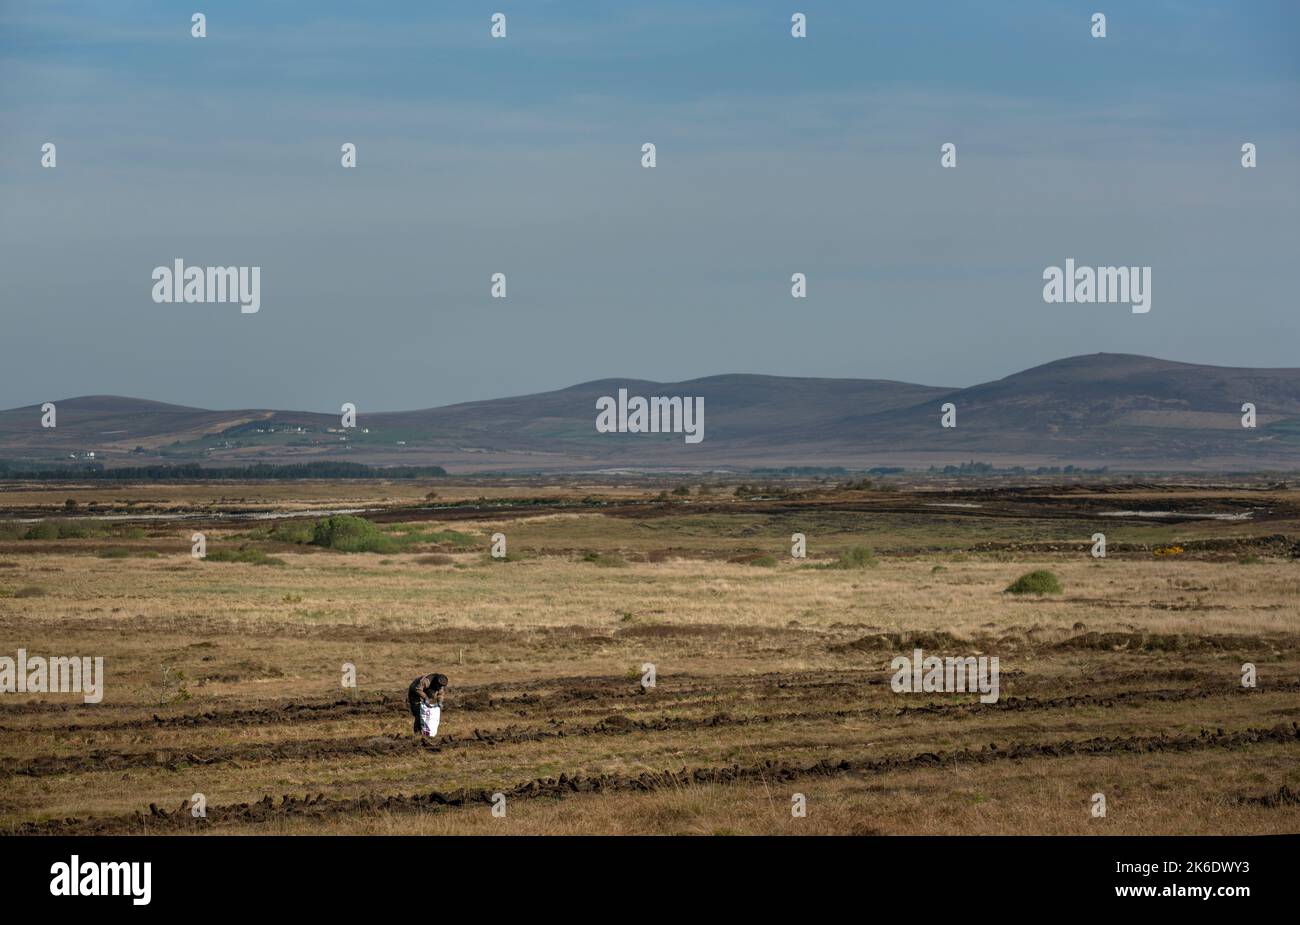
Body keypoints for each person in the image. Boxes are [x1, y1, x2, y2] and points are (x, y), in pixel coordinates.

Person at [408, 672, 448, 737]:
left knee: (427, 712)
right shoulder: (426, 681)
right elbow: (418, 689)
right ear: (435, 683)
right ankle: (417, 733)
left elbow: (440, 694)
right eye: (439, 686)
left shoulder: (441, 684)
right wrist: (426, 698)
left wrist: (440, 702)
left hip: (424, 692)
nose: (440, 688)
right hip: (415, 693)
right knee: (418, 712)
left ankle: (427, 733)